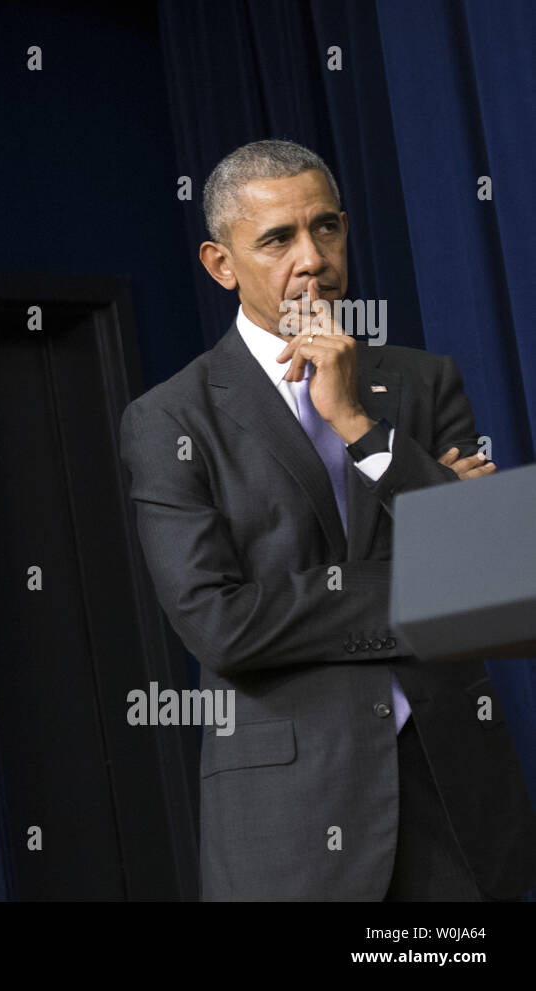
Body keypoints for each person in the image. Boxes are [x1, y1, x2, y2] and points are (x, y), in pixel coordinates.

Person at [118, 138, 536, 901]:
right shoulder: (170, 418)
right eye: (278, 238)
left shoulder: (423, 380)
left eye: (327, 228)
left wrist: (359, 427)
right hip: (295, 824)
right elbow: (222, 625)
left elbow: (500, 585)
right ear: (221, 264)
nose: (311, 258)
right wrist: (424, 580)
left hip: (458, 805)